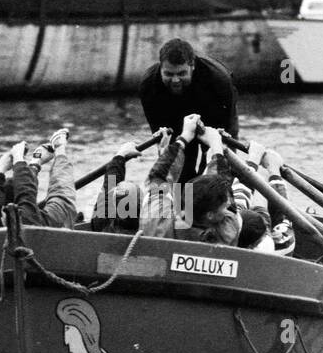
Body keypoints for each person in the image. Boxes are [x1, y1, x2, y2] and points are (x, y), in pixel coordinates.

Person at [138, 38, 239, 183]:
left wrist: (215, 147)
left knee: (216, 164)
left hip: (214, 110)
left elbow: (222, 132)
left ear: (192, 66)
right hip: (174, 115)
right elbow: (163, 138)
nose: (175, 80)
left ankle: (216, 201)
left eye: (181, 74)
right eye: (169, 74)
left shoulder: (218, 80)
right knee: (180, 166)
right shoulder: (148, 86)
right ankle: (183, 203)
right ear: (160, 68)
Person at [5, 127, 77, 228]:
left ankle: (37, 162)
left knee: (9, 187)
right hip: (39, 233)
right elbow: (26, 195)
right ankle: (59, 147)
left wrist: (34, 164)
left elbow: (19, 193)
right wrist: (18, 159)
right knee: (63, 199)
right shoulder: (28, 219)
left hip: (18, 223)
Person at [90, 138, 150, 234]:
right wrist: (164, 150)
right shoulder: (150, 229)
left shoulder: (101, 224)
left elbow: (109, 186)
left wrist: (120, 155)